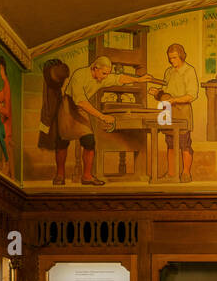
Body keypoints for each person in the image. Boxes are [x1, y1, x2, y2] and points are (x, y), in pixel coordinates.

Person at [56, 55, 154, 186]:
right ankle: (60, 175)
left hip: (81, 109)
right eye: (104, 73)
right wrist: (102, 116)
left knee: (89, 141)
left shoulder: (102, 77)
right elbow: (80, 101)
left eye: (107, 74)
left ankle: (87, 176)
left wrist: (139, 79)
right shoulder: (79, 75)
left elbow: (119, 78)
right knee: (63, 140)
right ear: (95, 68)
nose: (105, 76)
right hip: (68, 106)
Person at [153, 43, 199, 183]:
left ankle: (186, 173)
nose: (172, 61)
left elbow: (192, 95)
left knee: (184, 144)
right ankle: (171, 173)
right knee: (170, 144)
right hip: (168, 112)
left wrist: (175, 100)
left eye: (174, 58)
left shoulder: (189, 71)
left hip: (182, 112)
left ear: (181, 56)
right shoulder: (169, 72)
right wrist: (157, 93)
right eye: (170, 58)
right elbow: (164, 93)